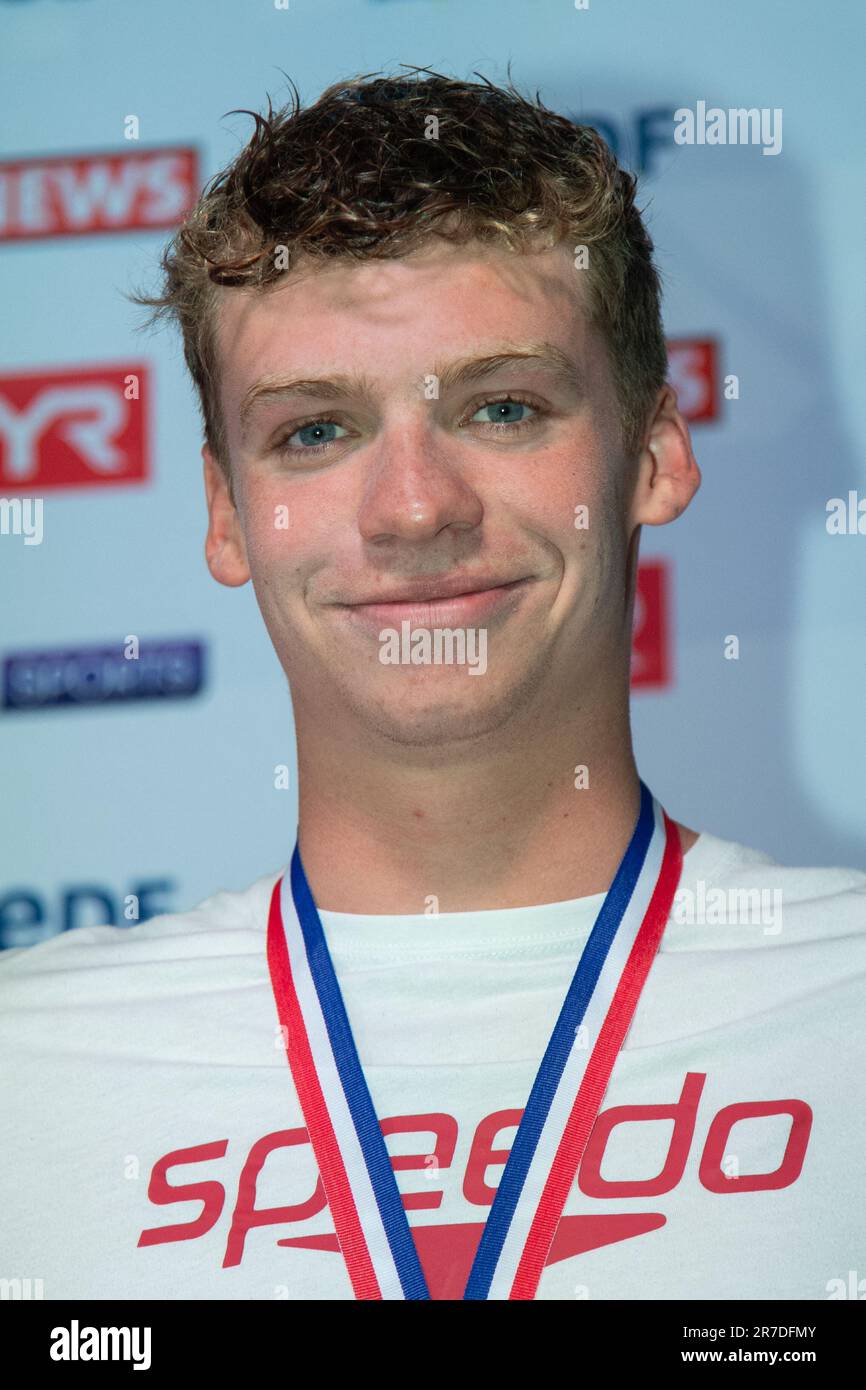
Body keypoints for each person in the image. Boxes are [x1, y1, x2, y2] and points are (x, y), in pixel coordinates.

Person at [2, 67, 864, 1302]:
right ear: (223, 510)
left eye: (500, 406)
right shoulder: (22, 1073)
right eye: (314, 429)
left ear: (654, 454)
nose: (412, 508)